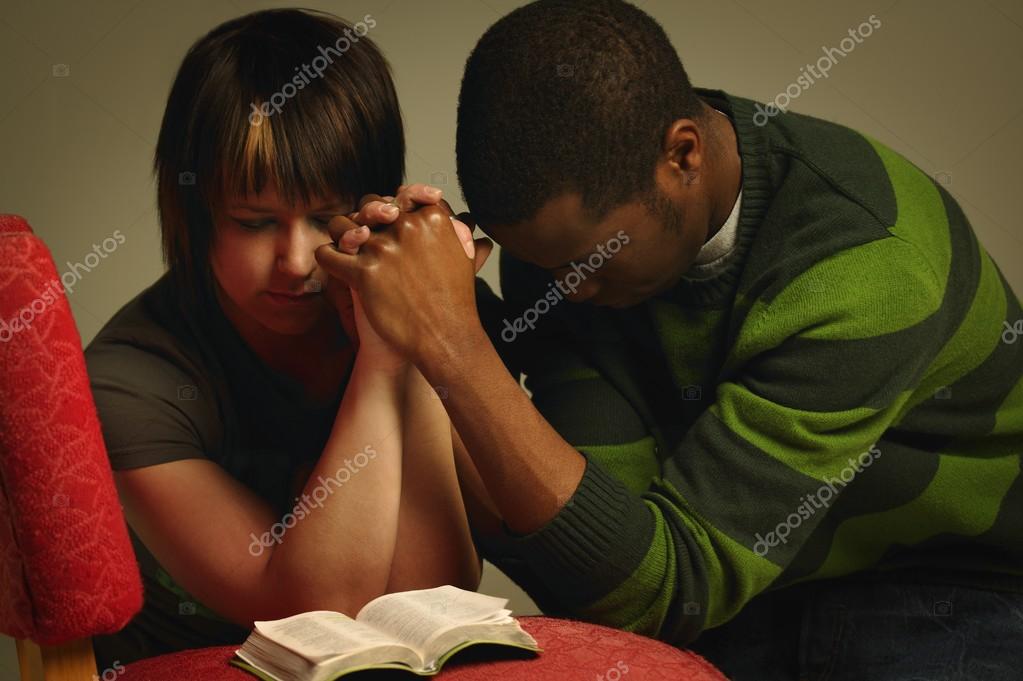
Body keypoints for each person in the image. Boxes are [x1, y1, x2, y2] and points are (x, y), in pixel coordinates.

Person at [315, 1, 1023, 678]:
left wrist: (450, 341)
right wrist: (423, 305)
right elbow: (604, 564)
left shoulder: (868, 266)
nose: (566, 288)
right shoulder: (568, 255)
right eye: (539, 261)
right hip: (739, 601)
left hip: (955, 591)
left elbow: (665, 589)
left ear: (681, 155)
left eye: (586, 257)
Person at [84, 9, 481, 669]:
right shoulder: (128, 380)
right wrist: (386, 358)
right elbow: (313, 611)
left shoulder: (404, 303)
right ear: (194, 212)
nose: (296, 259)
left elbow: (431, 598)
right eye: (254, 221)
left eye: (326, 216)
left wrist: (417, 332)